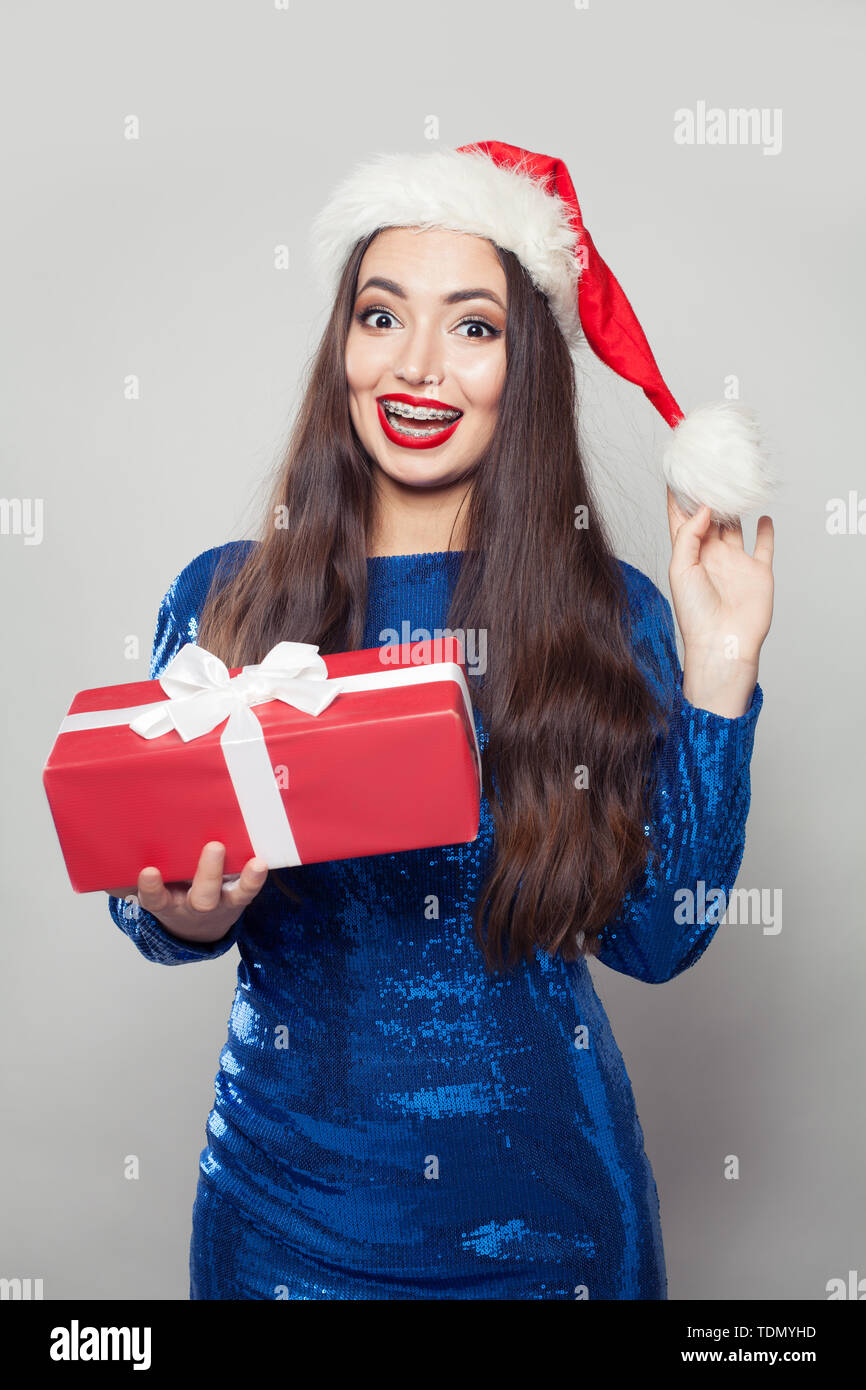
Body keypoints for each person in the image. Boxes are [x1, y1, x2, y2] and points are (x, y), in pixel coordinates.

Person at [107, 141, 775, 1300]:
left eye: (472, 327)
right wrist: (180, 912)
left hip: (551, 1231)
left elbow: (661, 938)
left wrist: (719, 677)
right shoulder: (223, 597)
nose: (417, 366)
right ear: (342, 347)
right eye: (381, 316)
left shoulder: (608, 615)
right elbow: (151, 899)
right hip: (278, 1224)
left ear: (527, 369)